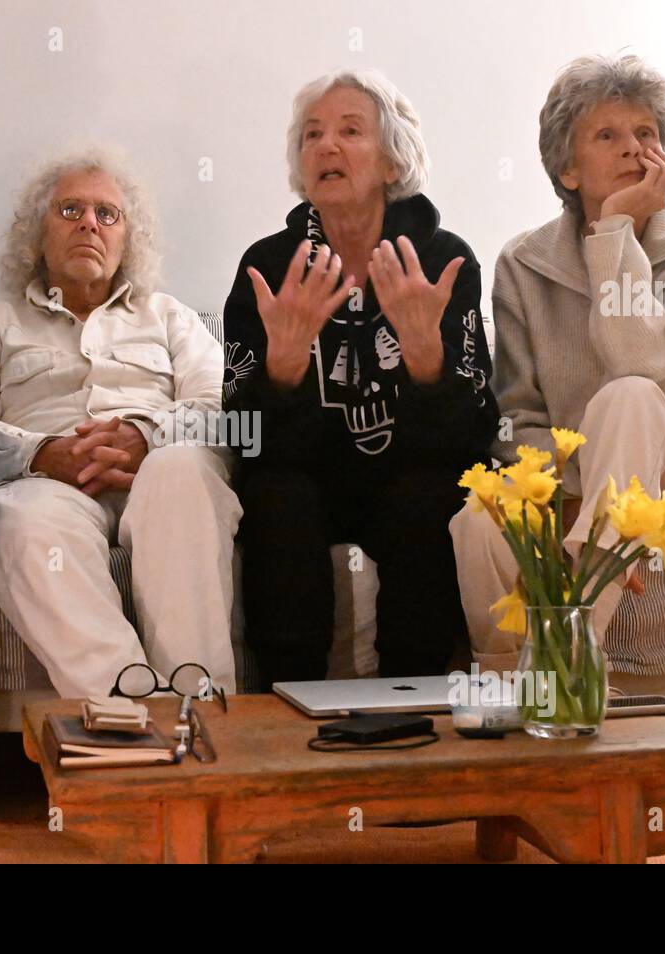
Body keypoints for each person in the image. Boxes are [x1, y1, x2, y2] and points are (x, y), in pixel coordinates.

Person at [451, 54, 665, 672]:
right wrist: (573, 496)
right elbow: (518, 415)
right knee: (477, 521)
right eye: (608, 135)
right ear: (568, 168)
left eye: (647, 135)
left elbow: (639, 356)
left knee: (626, 394)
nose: (634, 150)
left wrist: (614, 234)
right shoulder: (523, 263)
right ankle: (505, 688)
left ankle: (573, 655)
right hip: (562, 490)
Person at [223, 68, 498, 684]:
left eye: (351, 131)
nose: (327, 146)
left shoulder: (441, 259)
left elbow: (471, 440)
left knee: (427, 497)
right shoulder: (268, 266)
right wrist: (285, 364)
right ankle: (286, 709)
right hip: (305, 477)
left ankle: (413, 701)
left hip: (407, 473)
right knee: (276, 496)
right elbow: (242, 437)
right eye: (313, 135)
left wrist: (426, 353)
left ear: (393, 161)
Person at [0, 149, 240, 700]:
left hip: (157, 473)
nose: (89, 222)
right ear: (38, 234)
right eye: (70, 210)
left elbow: (219, 410)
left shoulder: (171, 318)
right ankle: (133, 707)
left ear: (128, 239)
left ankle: (200, 705)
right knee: (18, 514)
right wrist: (43, 453)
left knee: (181, 471)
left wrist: (145, 437)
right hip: (49, 487)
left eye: (108, 214)